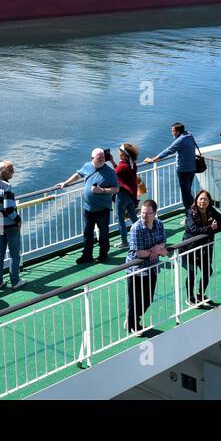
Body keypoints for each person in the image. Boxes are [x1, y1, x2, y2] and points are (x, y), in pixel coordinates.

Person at [57, 148, 120, 265]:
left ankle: (103, 255)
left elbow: (116, 189)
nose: (101, 159)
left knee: (103, 233)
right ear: (92, 158)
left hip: (102, 209)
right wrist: (66, 183)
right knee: (87, 233)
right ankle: (87, 255)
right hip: (88, 208)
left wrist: (102, 190)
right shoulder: (87, 166)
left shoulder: (110, 172)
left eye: (103, 157)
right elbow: (78, 175)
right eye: (99, 157)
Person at [125, 199, 167, 334]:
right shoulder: (136, 228)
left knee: (148, 299)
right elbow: (139, 253)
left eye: (148, 213)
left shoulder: (159, 224)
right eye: (142, 213)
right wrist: (157, 251)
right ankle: (133, 325)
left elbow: (163, 242)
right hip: (136, 269)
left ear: (154, 213)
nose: (144, 216)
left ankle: (131, 318)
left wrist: (157, 247)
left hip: (151, 267)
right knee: (135, 300)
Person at [183, 190, 221, 306]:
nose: (203, 201)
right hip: (190, 248)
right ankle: (190, 297)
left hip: (204, 248)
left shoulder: (210, 210)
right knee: (192, 273)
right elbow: (194, 230)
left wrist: (215, 226)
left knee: (208, 271)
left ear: (209, 201)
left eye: (206, 199)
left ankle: (200, 294)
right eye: (201, 199)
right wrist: (210, 228)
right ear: (197, 200)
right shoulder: (191, 213)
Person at [144, 122, 199, 213]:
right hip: (192, 168)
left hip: (183, 170)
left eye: (173, 131)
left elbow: (169, 150)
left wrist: (153, 159)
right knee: (188, 191)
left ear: (178, 132)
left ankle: (191, 213)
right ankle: (194, 211)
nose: (172, 133)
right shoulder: (189, 135)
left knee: (185, 194)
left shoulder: (180, 140)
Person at [0, 160, 24, 290]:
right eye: (11, 170)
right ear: (4, 172)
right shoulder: (7, 187)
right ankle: (15, 281)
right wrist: (18, 220)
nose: (13, 172)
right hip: (10, 224)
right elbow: (8, 208)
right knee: (14, 254)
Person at [113, 142, 141, 243]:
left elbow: (113, 174)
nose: (118, 152)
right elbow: (119, 172)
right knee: (133, 216)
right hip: (131, 195)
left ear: (124, 154)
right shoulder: (132, 164)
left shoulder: (123, 166)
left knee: (120, 218)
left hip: (122, 195)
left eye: (120, 151)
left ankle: (124, 241)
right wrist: (112, 161)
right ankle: (142, 234)